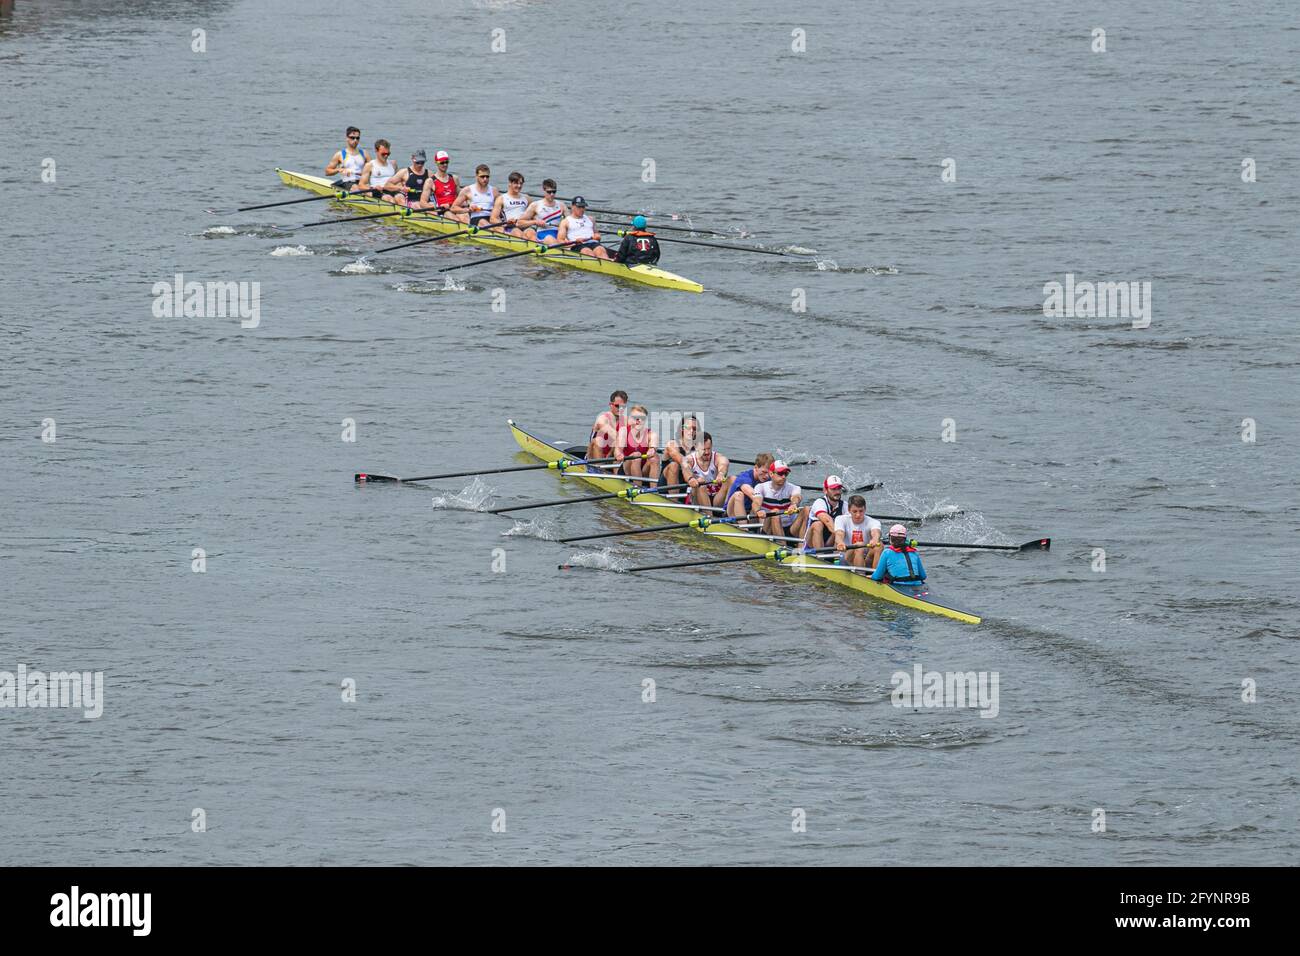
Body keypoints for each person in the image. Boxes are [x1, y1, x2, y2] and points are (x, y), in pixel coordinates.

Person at [752, 460, 806, 540]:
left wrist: (793, 504)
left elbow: (796, 497)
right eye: (780, 473)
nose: (784, 476)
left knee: (806, 510)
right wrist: (758, 511)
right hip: (768, 529)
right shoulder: (761, 487)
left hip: (789, 528)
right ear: (771, 474)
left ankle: (801, 546)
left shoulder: (794, 488)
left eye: (786, 474)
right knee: (775, 512)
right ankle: (782, 545)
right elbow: (756, 502)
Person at [831, 495, 882, 568]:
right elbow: (839, 533)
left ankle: (876, 576)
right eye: (854, 511)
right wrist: (840, 542)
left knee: (879, 545)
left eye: (861, 511)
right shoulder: (840, 519)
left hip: (866, 557)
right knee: (859, 545)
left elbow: (876, 532)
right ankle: (860, 575)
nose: (858, 515)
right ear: (849, 510)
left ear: (865, 509)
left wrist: (875, 539)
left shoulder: (873, 522)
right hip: (844, 556)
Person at [683, 433, 729, 508]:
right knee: (701, 484)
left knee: (732, 479)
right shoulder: (689, 460)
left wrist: (721, 474)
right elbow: (686, 471)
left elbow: (724, 464)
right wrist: (691, 479)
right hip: (697, 496)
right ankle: (709, 516)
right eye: (703, 449)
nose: (707, 452)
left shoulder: (718, 457)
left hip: (716, 498)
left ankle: (728, 512)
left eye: (709, 449)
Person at [616, 405, 659, 481]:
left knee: (655, 457)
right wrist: (619, 453)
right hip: (627, 469)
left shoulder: (651, 434)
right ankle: (637, 488)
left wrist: (652, 449)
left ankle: (654, 490)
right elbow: (618, 449)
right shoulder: (624, 431)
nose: (638, 421)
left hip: (644, 470)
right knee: (637, 455)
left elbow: (653, 443)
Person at [725, 453, 774, 518]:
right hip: (732, 512)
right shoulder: (745, 477)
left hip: (751, 511)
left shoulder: (768, 478)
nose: (766, 476)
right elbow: (753, 495)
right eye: (764, 472)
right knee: (739, 495)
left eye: (769, 473)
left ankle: (763, 527)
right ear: (756, 467)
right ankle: (744, 527)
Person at [804, 476, 846, 551]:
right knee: (818, 524)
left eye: (839, 488)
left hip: (830, 541)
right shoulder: (819, 502)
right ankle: (820, 556)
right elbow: (827, 520)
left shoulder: (845, 505)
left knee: (843, 526)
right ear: (825, 490)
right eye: (833, 489)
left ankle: (836, 555)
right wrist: (840, 536)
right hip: (811, 543)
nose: (837, 492)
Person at [585, 390, 628, 461]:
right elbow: (611, 432)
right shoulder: (603, 418)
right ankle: (599, 467)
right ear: (610, 404)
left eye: (623, 406)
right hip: (594, 456)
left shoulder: (626, 420)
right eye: (617, 406)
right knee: (598, 441)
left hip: (613, 456)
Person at [660, 416, 700, 487]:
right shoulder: (672, 444)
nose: (691, 431)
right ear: (682, 429)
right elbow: (682, 461)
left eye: (694, 428)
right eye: (688, 428)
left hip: (689, 485)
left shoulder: (698, 448)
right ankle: (673, 498)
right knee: (674, 465)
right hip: (665, 487)